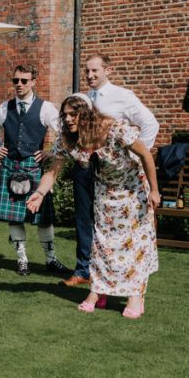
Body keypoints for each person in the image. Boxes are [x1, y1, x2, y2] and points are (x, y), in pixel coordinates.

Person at [28, 94, 160, 319]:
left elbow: (146, 155)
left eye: (73, 114)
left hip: (132, 190)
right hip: (104, 193)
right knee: (102, 243)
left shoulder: (114, 129)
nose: (68, 119)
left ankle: (135, 296)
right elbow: (53, 171)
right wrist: (39, 193)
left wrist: (155, 191)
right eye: (65, 115)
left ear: (86, 114)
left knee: (134, 244)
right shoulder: (69, 139)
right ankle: (98, 291)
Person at [65, 54, 159, 287]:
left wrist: (134, 156)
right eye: (87, 71)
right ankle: (83, 269)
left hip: (114, 171)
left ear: (108, 70)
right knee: (84, 218)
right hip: (85, 166)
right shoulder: (84, 99)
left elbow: (150, 123)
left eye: (95, 71)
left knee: (109, 223)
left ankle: (116, 271)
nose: (89, 75)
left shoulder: (123, 96)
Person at [0, 64, 67, 276]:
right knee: (14, 217)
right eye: (16, 81)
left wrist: (51, 152)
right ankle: (22, 259)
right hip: (10, 166)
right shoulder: (5, 108)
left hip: (34, 168)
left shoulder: (46, 108)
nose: (19, 85)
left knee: (43, 217)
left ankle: (51, 260)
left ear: (33, 82)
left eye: (24, 81)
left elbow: (63, 133)